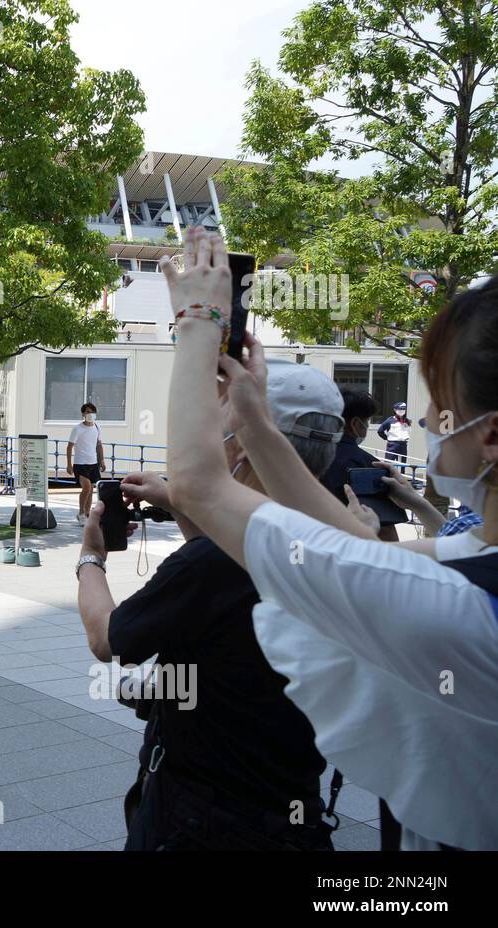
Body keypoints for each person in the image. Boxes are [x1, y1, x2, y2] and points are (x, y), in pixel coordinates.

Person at [159, 226, 498, 850]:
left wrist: (198, 324)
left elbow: (198, 486)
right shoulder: (477, 568)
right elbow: (367, 554)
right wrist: (257, 423)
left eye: (442, 401)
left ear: (492, 435)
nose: (423, 419)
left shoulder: (460, 609)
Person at [76, 359, 341, 851]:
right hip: (290, 807)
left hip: (206, 820)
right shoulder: (338, 540)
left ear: (243, 444)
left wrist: (90, 557)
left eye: (216, 432)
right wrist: (184, 503)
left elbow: (106, 637)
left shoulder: (212, 562)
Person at [319, 388, 400, 541]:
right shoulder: (369, 465)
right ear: (356, 424)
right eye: (368, 421)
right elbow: (385, 529)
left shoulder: (306, 456)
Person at [67, 403, 105, 524]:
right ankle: (81, 513)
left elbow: (99, 445)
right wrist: (68, 464)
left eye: (92, 412)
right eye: (87, 412)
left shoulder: (97, 427)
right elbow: (69, 447)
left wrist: (102, 460)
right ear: (83, 414)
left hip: (93, 463)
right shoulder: (77, 428)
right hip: (80, 463)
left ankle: (87, 514)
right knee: (87, 487)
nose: (90, 414)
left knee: (91, 489)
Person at [377, 401, 412, 465]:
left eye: (404, 409)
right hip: (393, 445)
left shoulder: (407, 421)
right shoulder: (390, 420)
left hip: (403, 444)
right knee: (389, 462)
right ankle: (388, 474)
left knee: (403, 464)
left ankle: (402, 474)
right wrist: (386, 438)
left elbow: (407, 432)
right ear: (395, 410)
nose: (402, 411)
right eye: (400, 409)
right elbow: (380, 431)